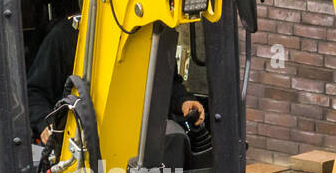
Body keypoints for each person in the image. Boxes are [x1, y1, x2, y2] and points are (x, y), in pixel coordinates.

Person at [27, 14, 205, 143]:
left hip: (146, 145)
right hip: (83, 148)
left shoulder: (152, 32)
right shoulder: (66, 36)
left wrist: (183, 101)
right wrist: (46, 123)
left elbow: (168, 82)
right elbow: (34, 92)